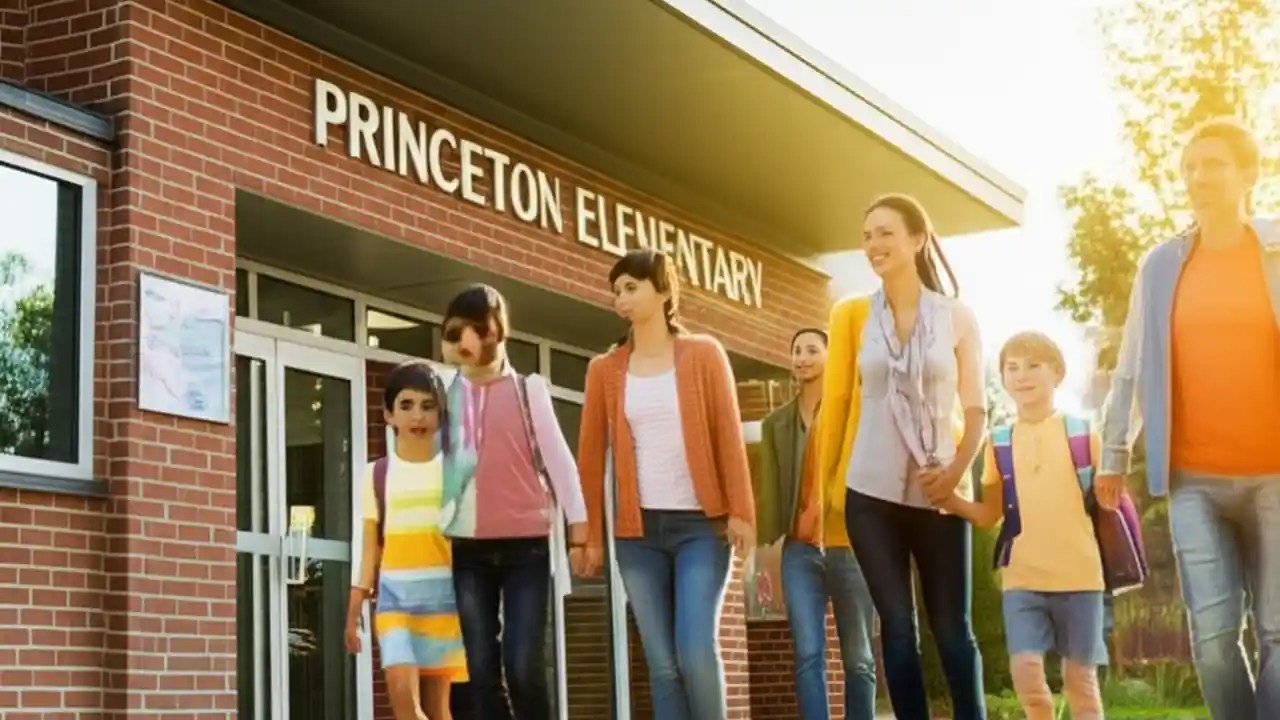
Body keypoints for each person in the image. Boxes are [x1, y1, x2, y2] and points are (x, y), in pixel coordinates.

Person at [1096, 116, 1280, 719]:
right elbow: (1130, 364)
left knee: (1278, 633)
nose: (1199, 177)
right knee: (1214, 640)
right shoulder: (1162, 266)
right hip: (1193, 477)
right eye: (1191, 167)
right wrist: (1114, 452)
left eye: (1214, 165)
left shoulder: (1276, 250)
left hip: (1276, 473)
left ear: (1248, 175)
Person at [818, 193, 987, 720]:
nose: (873, 245)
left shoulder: (957, 316)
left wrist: (955, 478)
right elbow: (838, 403)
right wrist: (823, 491)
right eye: (867, 235)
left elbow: (977, 410)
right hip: (870, 492)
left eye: (885, 233)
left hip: (939, 493)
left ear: (917, 239)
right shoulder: (852, 316)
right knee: (896, 623)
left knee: (952, 627)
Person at [576, 248, 755, 720]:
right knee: (662, 666)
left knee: (695, 651)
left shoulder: (703, 354)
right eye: (616, 291)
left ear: (663, 290)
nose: (621, 299)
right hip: (638, 537)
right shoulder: (605, 370)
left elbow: (728, 437)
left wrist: (741, 511)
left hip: (702, 529)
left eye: (631, 287)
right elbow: (590, 459)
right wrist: (589, 535)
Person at [942, 332, 1122, 720]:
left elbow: (1112, 497)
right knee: (1025, 674)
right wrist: (949, 498)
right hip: (1021, 578)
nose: (1021, 375)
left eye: (1033, 365)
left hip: (1080, 577)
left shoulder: (1081, 432)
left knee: (1080, 682)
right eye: (1012, 368)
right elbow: (989, 514)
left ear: (1057, 373)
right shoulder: (999, 442)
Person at [437, 284, 588, 720]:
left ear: (496, 332)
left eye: (474, 328)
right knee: (481, 673)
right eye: (455, 330)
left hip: (527, 545)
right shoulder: (446, 393)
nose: (463, 339)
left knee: (523, 669)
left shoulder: (528, 389)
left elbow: (560, 461)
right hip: (467, 546)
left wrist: (579, 526)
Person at [754, 327, 877, 720]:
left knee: (858, 657)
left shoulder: (855, 412)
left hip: (851, 547)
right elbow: (770, 490)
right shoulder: (777, 424)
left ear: (831, 355)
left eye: (812, 350)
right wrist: (763, 542)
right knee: (808, 654)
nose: (802, 358)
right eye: (796, 351)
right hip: (800, 551)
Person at [345, 360, 468, 720]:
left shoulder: (454, 473)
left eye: (428, 406)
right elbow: (369, 547)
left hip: (445, 606)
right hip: (395, 605)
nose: (418, 416)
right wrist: (354, 611)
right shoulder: (376, 475)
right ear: (388, 414)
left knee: (437, 709)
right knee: (406, 709)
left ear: (441, 415)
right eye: (407, 405)